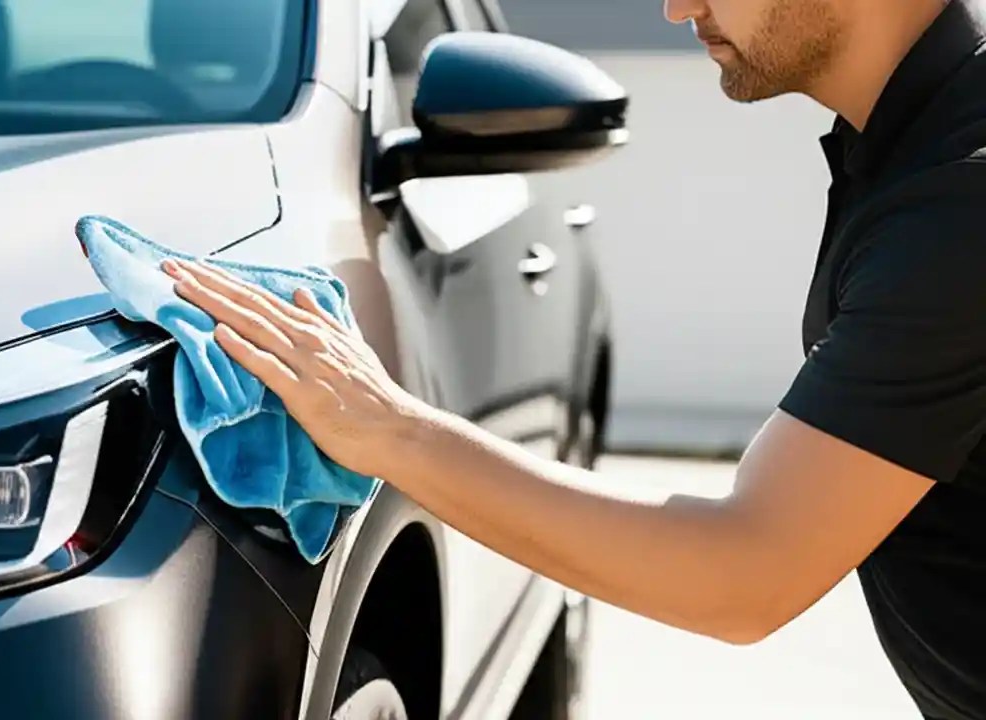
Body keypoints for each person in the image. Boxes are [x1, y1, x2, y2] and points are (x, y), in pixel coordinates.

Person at [161, 0, 986, 717]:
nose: (676, 7)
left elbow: (745, 570)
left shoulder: (957, 202)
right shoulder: (913, 152)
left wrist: (389, 429)